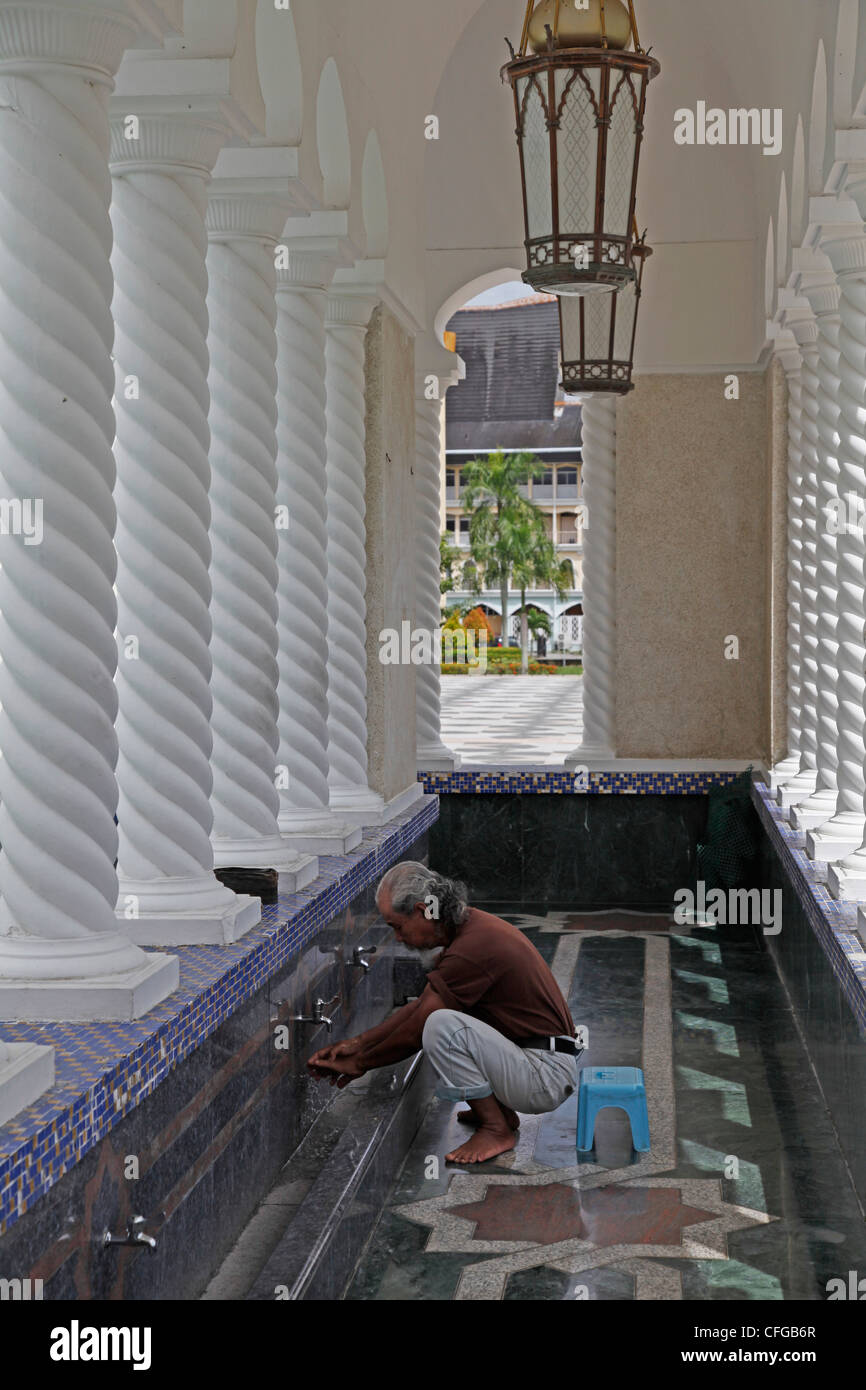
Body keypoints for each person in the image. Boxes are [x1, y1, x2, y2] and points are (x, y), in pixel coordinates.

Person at [307, 862, 581, 1164]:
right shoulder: (469, 929)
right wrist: (358, 1043)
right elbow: (419, 1006)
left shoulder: (473, 947)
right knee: (441, 1015)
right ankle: (498, 1112)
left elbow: (420, 1025)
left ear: (424, 910)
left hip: (544, 1077)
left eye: (397, 926)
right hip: (539, 1060)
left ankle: (495, 1127)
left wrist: (361, 1063)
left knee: (441, 1025)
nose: (398, 938)